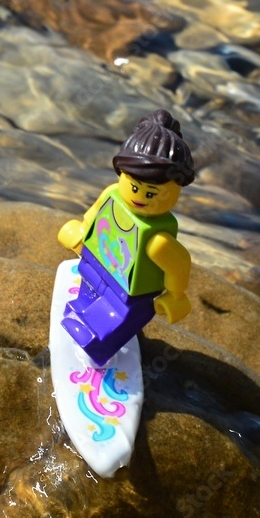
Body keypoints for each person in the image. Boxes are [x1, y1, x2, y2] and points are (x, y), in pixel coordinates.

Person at [58, 109, 195, 366]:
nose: (140, 197)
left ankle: (95, 356)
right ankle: (80, 325)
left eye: (151, 193)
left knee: (107, 326)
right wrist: (81, 232)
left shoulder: (158, 239)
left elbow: (179, 264)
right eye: (134, 186)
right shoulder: (111, 195)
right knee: (83, 303)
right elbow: (93, 216)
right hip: (93, 267)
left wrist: (176, 296)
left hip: (128, 297)